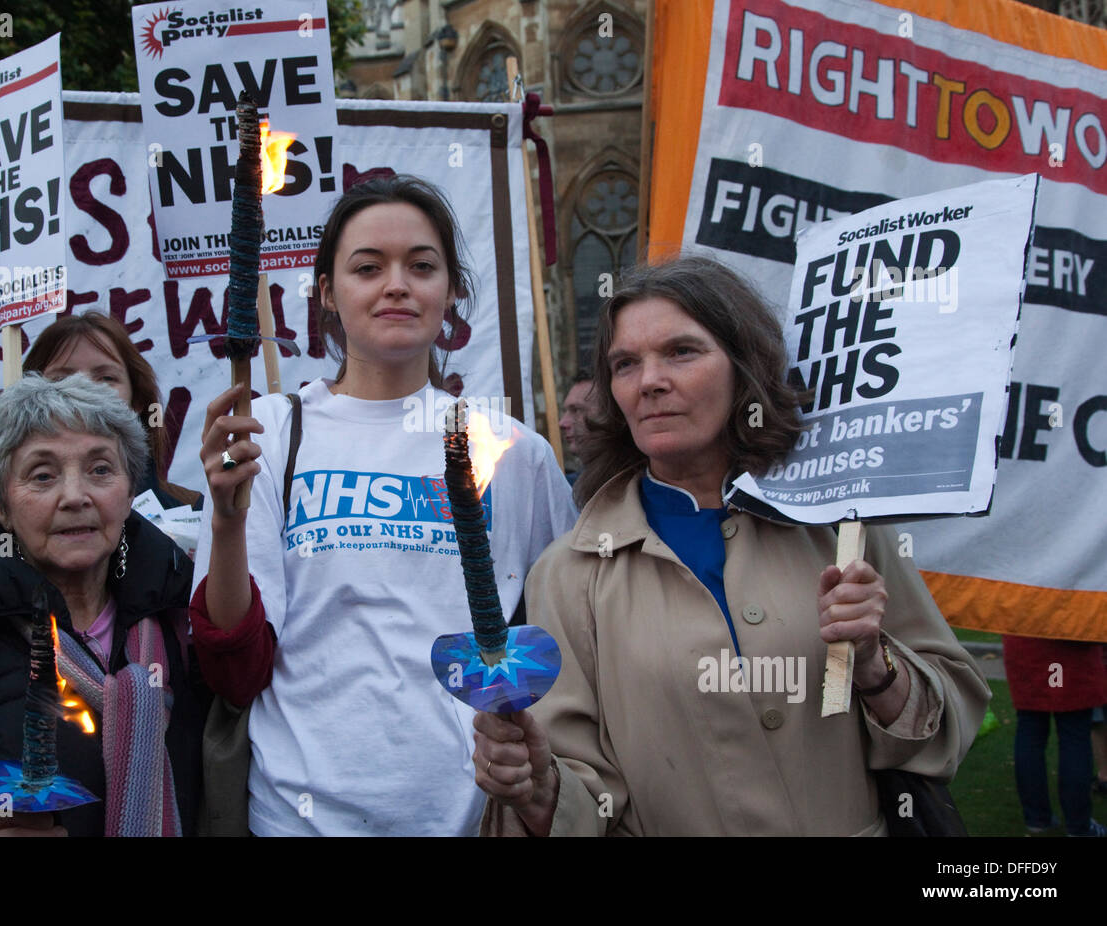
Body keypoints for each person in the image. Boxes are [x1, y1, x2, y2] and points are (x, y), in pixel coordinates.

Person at [472, 256, 991, 836]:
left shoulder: (839, 527)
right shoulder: (569, 572)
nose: (650, 381)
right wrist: (539, 787)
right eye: (625, 364)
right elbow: (582, 795)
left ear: (744, 369)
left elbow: (948, 730)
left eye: (681, 352)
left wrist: (875, 665)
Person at [192, 174, 577, 835]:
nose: (396, 285)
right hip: (296, 817)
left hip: (463, 816)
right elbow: (235, 664)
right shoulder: (270, 433)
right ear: (326, 294)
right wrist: (227, 520)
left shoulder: (513, 451)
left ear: (452, 290)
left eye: (422, 266)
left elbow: (563, 640)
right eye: (367, 268)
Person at [0, 374, 267, 836]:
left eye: (101, 470)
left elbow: (244, 682)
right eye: (43, 475)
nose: (75, 496)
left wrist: (226, 505)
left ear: (129, 492)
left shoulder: (179, 626)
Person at [24, 310, 201, 510]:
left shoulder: (192, 510)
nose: (85, 391)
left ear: (137, 402)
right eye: (62, 380)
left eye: (106, 379)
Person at [1001, 634, 1107, 836]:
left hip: (1025, 646)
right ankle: (1078, 825)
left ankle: (1037, 819)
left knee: (1030, 730)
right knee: (1074, 736)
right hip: (1071, 649)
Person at [558, 371, 598, 485]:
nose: (562, 423)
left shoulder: (643, 488)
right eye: (566, 411)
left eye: (576, 410)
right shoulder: (567, 489)